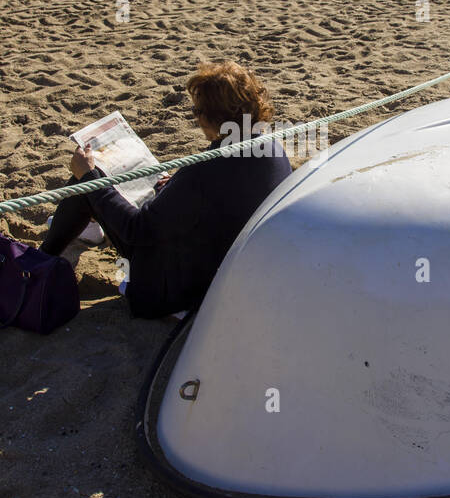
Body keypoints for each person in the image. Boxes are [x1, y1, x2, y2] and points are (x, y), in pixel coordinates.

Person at [41, 61, 292, 319]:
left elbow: (137, 231)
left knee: (89, 182)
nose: (195, 117)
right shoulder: (269, 148)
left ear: (213, 117)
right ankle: (88, 229)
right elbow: (221, 192)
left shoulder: (202, 173)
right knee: (108, 184)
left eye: (197, 110)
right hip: (229, 270)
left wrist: (90, 177)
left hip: (179, 292)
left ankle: (41, 261)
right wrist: (174, 188)